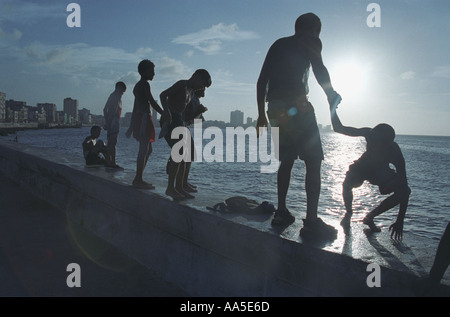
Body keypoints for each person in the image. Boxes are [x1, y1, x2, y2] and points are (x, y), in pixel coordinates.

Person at [256, 13, 340, 239]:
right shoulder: (312, 40)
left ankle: (281, 211)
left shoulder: (278, 44)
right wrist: (331, 93)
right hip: (297, 104)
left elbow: (262, 80)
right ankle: (311, 221)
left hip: (274, 108)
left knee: (286, 160)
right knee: (313, 161)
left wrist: (260, 114)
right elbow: (319, 69)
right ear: (315, 29)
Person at [330, 105, 411, 239]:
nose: (371, 143)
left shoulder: (395, 152)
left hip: (380, 172)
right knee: (347, 183)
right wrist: (332, 106)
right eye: (370, 140)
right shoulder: (369, 133)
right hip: (363, 166)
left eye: (375, 143)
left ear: (387, 144)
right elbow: (339, 128)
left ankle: (370, 217)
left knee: (404, 191)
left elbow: (404, 187)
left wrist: (400, 220)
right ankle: (348, 213)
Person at [159, 69, 211, 200]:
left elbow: (186, 116)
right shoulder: (182, 84)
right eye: (203, 84)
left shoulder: (191, 91)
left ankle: (180, 186)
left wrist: (197, 112)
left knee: (185, 155)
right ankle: (171, 188)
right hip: (171, 120)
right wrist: (166, 111)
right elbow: (163, 95)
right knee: (179, 153)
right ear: (197, 77)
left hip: (180, 121)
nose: (202, 88)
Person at [126, 59, 164, 189]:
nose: (154, 74)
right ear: (143, 72)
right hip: (143, 118)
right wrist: (164, 113)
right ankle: (138, 179)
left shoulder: (138, 85)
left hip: (140, 118)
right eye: (152, 71)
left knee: (148, 149)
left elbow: (135, 106)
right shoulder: (144, 85)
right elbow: (152, 102)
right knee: (144, 150)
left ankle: (139, 177)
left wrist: (131, 126)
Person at [181, 87, 208, 193]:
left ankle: (184, 182)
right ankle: (182, 184)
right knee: (187, 157)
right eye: (203, 89)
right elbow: (188, 118)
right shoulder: (193, 99)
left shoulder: (195, 99)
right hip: (183, 127)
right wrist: (199, 111)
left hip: (185, 127)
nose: (204, 91)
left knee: (189, 156)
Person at [103, 81, 126, 169]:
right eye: (122, 91)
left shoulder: (114, 96)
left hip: (113, 120)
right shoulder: (115, 96)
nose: (122, 93)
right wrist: (109, 121)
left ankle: (110, 161)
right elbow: (106, 109)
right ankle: (112, 162)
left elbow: (105, 109)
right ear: (118, 88)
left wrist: (107, 121)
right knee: (112, 142)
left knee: (111, 142)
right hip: (113, 121)